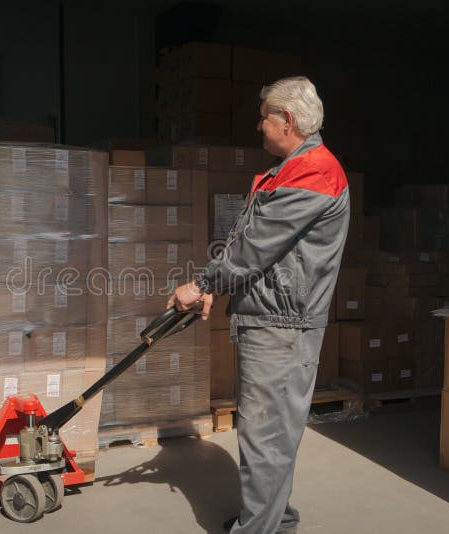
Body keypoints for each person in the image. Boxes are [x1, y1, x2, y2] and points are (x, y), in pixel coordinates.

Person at [167, 76, 350, 534]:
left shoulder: (315, 172)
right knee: (272, 435)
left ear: (287, 119)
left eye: (264, 116)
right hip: (272, 318)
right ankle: (273, 520)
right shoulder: (287, 169)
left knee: (265, 436)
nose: (258, 125)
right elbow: (248, 239)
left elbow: (255, 249)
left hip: (282, 326)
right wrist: (215, 287)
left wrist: (202, 281)